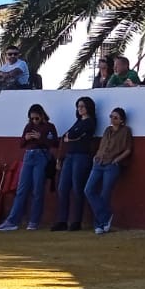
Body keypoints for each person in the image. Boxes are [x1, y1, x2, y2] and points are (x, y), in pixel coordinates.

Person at [0, 104, 59, 231]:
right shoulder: (29, 127)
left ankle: (34, 221)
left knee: (38, 190)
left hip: (41, 156)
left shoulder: (49, 127)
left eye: (36, 118)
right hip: (29, 156)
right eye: (32, 119)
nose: (34, 121)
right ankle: (12, 221)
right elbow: (22, 144)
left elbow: (54, 143)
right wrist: (26, 138)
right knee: (21, 189)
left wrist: (41, 138)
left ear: (42, 116)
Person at [85, 107, 132, 234]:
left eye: (115, 117)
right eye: (111, 116)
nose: (112, 119)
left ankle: (100, 224)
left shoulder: (126, 131)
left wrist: (116, 160)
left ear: (122, 120)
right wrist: (96, 155)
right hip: (99, 162)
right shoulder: (107, 130)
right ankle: (106, 216)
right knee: (88, 190)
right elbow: (102, 145)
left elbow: (128, 149)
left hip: (111, 164)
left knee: (105, 194)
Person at [53, 97, 98, 231]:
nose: (80, 109)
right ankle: (62, 220)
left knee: (77, 188)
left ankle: (76, 221)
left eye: (82, 106)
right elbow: (69, 135)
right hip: (71, 156)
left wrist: (71, 137)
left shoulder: (90, 122)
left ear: (88, 107)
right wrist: (71, 136)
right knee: (63, 188)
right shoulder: (79, 121)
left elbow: (71, 135)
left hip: (81, 156)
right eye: (78, 106)